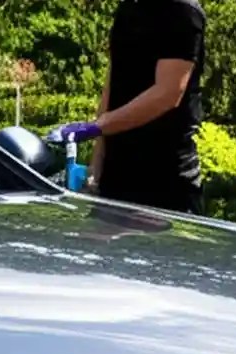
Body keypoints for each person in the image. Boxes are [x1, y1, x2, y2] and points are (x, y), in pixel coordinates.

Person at [51, 0, 207, 214]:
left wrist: (97, 127)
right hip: (116, 177)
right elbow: (112, 84)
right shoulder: (129, 7)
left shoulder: (182, 11)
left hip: (164, 181)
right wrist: (98, 160)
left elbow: (168, 94)